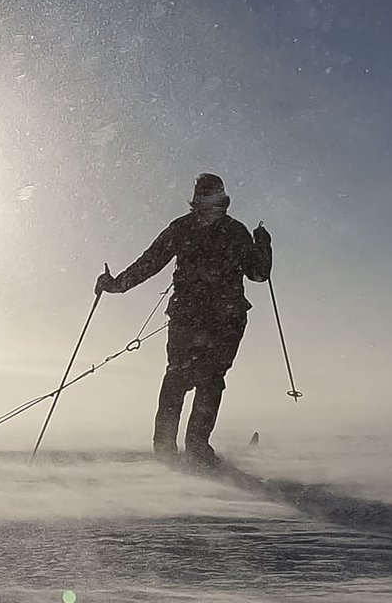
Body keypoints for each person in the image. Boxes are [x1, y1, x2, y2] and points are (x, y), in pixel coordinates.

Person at [96, 173, 273, 467]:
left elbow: (258, 274)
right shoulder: (206, 230)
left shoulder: (214, 230)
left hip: (211, 319)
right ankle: (180, 449)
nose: (216, 206)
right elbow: (150, 262)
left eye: (217, 199)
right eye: (212, 199)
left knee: (195, 378)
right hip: (204, 318)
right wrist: (116, 284)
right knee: (192, 378)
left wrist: (263, 245)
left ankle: (184, 448)